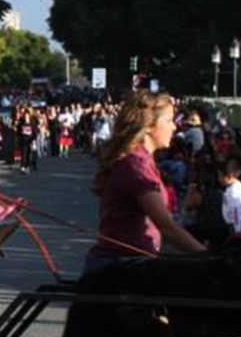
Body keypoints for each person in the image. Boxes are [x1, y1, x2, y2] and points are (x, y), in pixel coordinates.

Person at [84, 91, 207, 273]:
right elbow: (166, 226)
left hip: (128, 264)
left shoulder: (142, 160)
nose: (174, 127)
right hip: (119, 269)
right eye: (169, 120)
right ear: (149, 125)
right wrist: (208, 256)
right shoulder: (136, 165)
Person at [219, 159, 241, 234]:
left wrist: (237, 231)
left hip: (239, 224)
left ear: (229, 176)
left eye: (220, 177)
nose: (219, 179)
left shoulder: (234, 189)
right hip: (236, 223)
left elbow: (236, 211)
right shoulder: (231, 187)